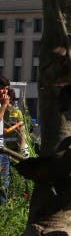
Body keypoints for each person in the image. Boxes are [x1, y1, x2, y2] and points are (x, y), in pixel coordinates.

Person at [0, 76, 11, 206]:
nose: (5, 92)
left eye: (7, 89)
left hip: (2, 149)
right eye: (2, 89)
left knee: (4, 184)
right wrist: (3, 106)